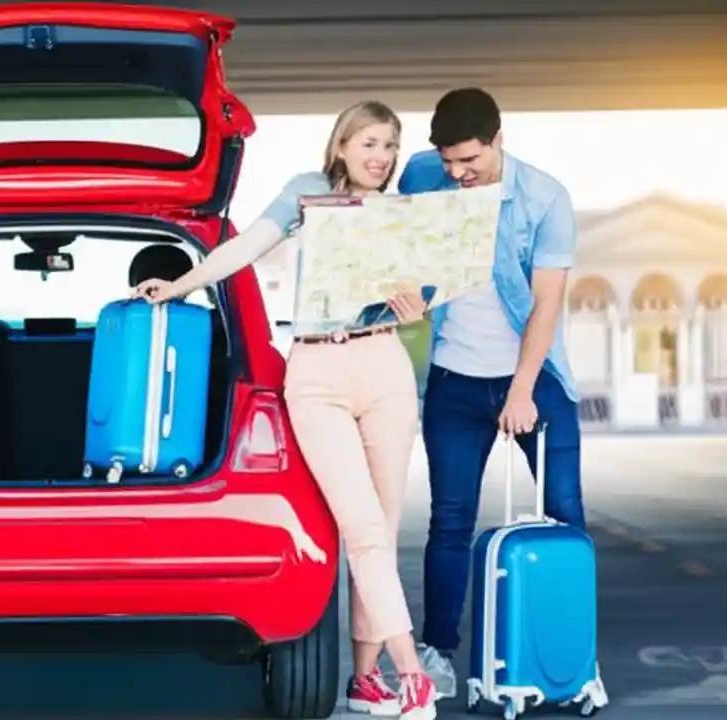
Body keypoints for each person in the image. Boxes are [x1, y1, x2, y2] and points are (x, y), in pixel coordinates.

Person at [133, 100, 438, 720]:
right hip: (318, 371)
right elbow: (246, 245)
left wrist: (418, 307)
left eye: (388, 146)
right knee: (361, 528)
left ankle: (366, 679)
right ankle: (412, 676)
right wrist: (184, 283)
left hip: (385, 367)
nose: (379, 157)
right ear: (343, 145)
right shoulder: (308, 194)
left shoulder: (401, 212)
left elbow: (418, 295)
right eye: (369, 144)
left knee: (382, 529)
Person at [396, 87, 586, 700]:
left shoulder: (544, 199)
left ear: (499, 140)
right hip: (454, 381)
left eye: (469, 161)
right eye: (449, 161)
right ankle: (439, 655)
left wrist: (522, 391)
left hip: (532, 380)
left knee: (564, 512)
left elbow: (547, 304)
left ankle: (565, 645)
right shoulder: (424, 178)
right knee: (450, 522)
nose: (457, 173)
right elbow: (397, 247)